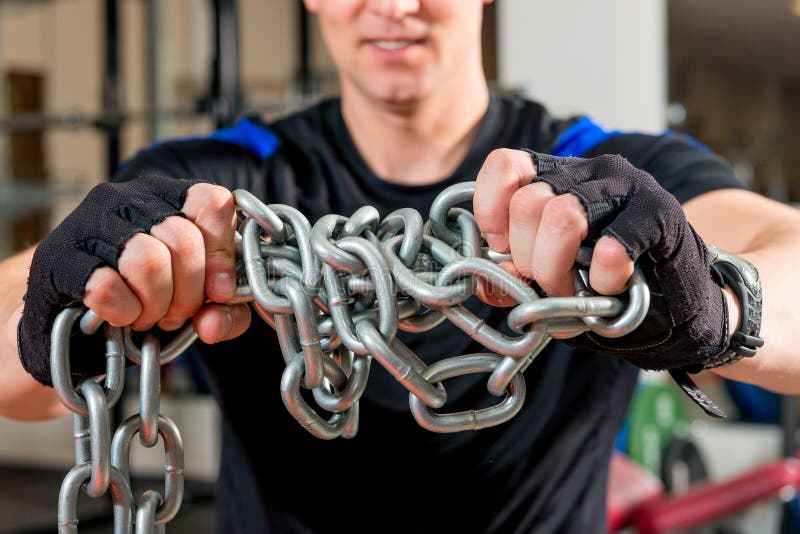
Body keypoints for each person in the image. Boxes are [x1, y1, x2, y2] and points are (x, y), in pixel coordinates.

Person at [1, 0, 799, 532]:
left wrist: (720, 303)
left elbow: (783, 257)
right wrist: (67, 301)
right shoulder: (217, 185)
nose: (393, 5)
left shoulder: (592, 177)